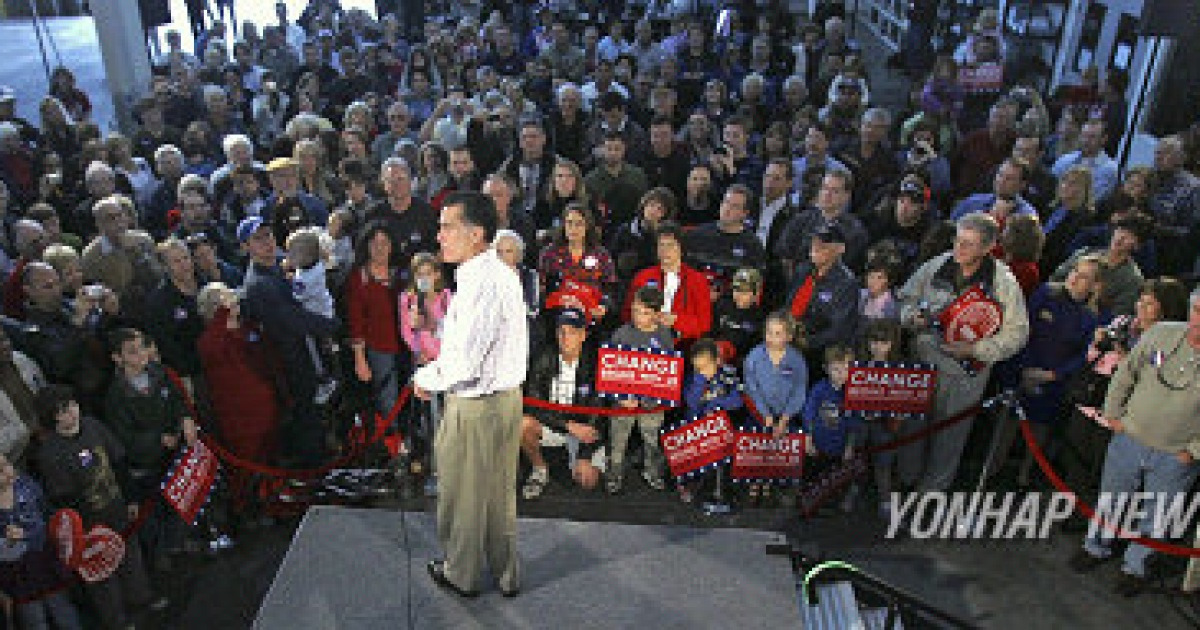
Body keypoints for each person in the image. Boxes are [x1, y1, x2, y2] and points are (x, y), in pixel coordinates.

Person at [414, 191, 528, 598]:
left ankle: (460, 575)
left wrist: (426, 378)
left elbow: (465, 364)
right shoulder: (501, 274)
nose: (439, 235)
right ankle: (506, 574)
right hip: (505, 400)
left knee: (461, 495)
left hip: (475, 406)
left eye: (447, 226)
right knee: (499, 497)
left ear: (477, 234)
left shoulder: (482, 284)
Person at [1070, 288, 1200, 597]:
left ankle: (1136, 567)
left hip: (1176, 454)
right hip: (1129, 437)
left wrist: (1193, 451)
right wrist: (1113, 415)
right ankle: (1095, 546)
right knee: (1111, 498)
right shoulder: (1162, 334)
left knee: (1159, 515)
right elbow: (1125, 375)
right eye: (1197, 311)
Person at [898, 213, 1029, 491]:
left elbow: (1017, 334)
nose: (959, 248)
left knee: (949, 439)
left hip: (965, 375)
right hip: (924, 366)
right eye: (957, 240)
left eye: (968, 244)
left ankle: (930, 497)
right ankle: (905, 485)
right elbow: (906, 299)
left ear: (987, 247)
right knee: (913, 430)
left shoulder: (1003, 283)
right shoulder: (935, 266)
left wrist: (976, 348)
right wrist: (912, 318)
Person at [239, 216, 337, 467]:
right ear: (245, 247)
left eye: (268, 234)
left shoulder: (279, 267)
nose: (267, 242)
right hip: (290, 360)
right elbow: (291, 320)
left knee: (317, 410)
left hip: (306, 349)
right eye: (258, 239)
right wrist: (333, 326)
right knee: (306, 414)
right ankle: (312, 471)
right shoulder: (259, 284)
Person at [196, 282, 281, 511]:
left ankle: (269, 498)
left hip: (265, 406)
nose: (232, 303)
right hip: (239, 417)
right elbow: (211, 348)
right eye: (224, 301)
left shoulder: (246, 329)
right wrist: (221, 315)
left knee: (268, 456)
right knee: (246, 465)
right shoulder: (209, 340)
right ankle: (247, 506)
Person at [519, 308, 606, 500]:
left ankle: (578, 459)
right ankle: (539, 468)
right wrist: (566, 425)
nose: (566, 338)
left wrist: (584, 456)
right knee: (523, 424)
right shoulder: (543, 356)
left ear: (583, 335)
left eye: (572, 332)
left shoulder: (595, 362)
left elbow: (598, 413)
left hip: (584, 429)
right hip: (556, 424)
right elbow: (533, 403)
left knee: (587, 480)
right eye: (561, 332)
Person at [0, 452, 83, 629]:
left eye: (6, 464)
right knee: (35, 621)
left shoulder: (26, 485)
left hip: (45, 561)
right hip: (17, 575)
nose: (8, 471)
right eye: (0, 471)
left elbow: (47, 518)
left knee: (63, 611)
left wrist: (27, 535)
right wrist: (8, 543)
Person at [605, 286, 674, 495]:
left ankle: (652, 471)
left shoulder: (664, 336)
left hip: (652, 404)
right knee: (618, 440)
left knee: (652, 439)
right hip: (623, 403)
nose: (638, 316)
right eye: (635, 310)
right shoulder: (621, 334)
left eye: (644, 312)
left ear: (656, 314)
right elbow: (609, 372)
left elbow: (668, 372)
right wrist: (620, 397)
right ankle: (614, 474)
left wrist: (653, 397)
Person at [742, 311, 808, 505]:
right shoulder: (754, 356)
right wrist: (766, 415)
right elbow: (751, 388)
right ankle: (754, 483)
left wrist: (785, 418)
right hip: (759, 413)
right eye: (769, 332)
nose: (772, 337)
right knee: (757, 446)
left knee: (778, 448)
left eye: (778, 333)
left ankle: (770, 483)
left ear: (789, 336)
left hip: (785, 414)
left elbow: (799, 390)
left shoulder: (796, 360)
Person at [623, 222, 712, 347]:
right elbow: (627, 314)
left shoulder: (697, 280)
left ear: (681, 249)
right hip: (643, 340)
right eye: (661, 245)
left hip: (683, 344)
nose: (665, 251)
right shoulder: (643, 277)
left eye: (670, 245)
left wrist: (676, 320)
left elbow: (704, 324)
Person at [800, 344, 865, 512]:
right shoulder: (820, 389)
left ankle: (840, 500)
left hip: (841, 445)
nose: (842, 374)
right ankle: (813, 502)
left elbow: (855, 422)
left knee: (840, 476)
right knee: (815, 474)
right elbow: (808, 413)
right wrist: (808, 439)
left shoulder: (854, 391)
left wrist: (850, 446)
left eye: (846, 369)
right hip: (820, 443)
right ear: (826, 369)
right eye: (836, 370)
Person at [681, 338, 745, 505]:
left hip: (721, 427)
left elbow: (737, 400)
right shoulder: (693, 378)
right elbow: (691, 403)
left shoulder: (728, 374)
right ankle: (691, 482)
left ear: (717, 361)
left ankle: (723, 487)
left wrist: (714, 404)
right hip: (696, 428)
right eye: (697, 367)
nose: (701, 371)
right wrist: (699, 380)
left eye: (705, 367)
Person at [284, 227, 339, 405]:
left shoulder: (306, 278)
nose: (288, 257)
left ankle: (325, 381)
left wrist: (286, 281)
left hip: (317, 319)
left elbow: (295, 296)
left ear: (306, 255)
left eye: (292, 253)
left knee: (315, 351)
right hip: (323, 311)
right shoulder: (315, 266)